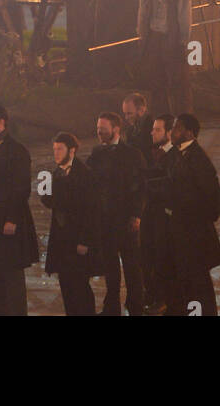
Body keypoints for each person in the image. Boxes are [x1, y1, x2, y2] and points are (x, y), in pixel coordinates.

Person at [158, 113, 220, 317]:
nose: (172, 132)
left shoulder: (198, 158)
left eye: (176, 128)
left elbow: (213, 198)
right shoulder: (178, 155)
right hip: (179, 233)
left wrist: (192, 218)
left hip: (194, 236)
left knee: (198, 285)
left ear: (188, 132)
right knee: (184, 282)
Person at [0, 103, 39, 316]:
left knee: (12, 275)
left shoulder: (16, 151)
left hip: (9, 219)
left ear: (1, 122)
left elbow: (21, 188)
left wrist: (11, 219)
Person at [87, 111, 146, 317]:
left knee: (132, 267)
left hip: (126, 220)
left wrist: (136, 215)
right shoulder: (96, 153)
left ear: (116, 129)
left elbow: (140, 187)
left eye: (103, 128)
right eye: (98, 128)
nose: (99, 132)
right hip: (104, 220)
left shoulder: (132, 154)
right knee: (110, 267)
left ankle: (136, 307)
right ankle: (111, 308)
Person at [39, 131, 100, 316]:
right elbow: (50, 202)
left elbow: (91, 210)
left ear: (71, 150)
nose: (56, 153)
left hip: (78, 238)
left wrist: (85, 240)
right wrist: (44, 189)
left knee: (80, 284)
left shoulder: (85, 174)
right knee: (65, 283)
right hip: (62, 239)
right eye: (54, 149)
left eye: (60, 149)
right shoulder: (55, 173)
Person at [136, 0, 192, 113]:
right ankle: (162, 118)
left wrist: (184, 40)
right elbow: (143, 11)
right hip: (154, 37)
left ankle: (183, 117)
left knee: (178, 82)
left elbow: (184, 14)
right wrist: (142, 35)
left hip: (172, 37)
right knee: (156, 81)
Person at [141, 112, 175, 313]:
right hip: (151, 218)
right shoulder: (156, 153)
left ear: (169, 133)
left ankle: (162, 300)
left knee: (162, 260)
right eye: (152, 128)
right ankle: (155, 297)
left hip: (164, 220)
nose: (152, 132)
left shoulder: (174, 157)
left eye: (157, 129)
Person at [121, 92, 153, 161]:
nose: (126, 118)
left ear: (141, 110)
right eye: (125, 114)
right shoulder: (130, 130)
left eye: (129, 113)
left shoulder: (154, 128)